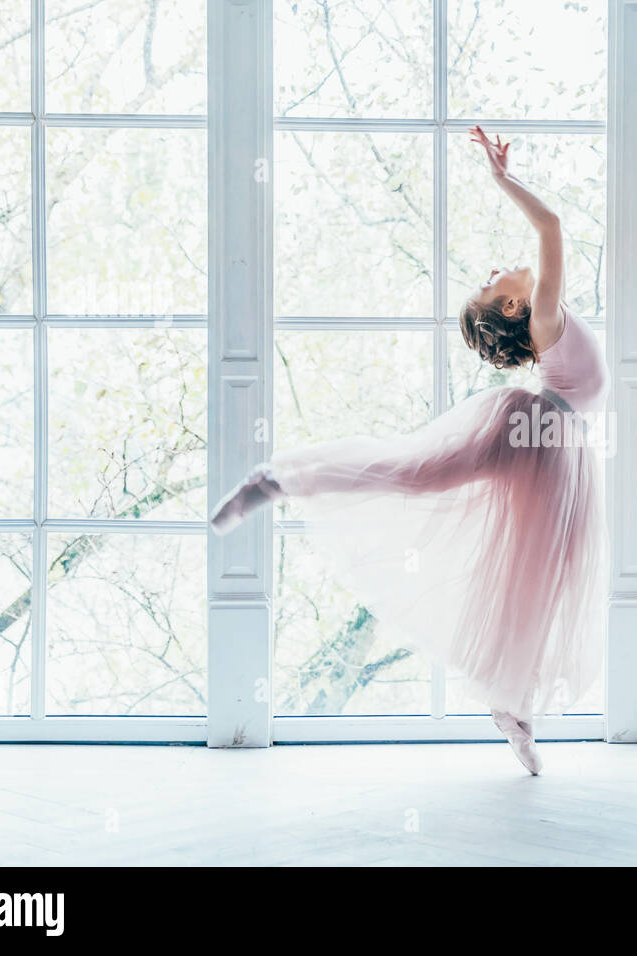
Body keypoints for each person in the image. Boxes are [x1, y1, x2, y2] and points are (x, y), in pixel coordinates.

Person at [209, 127, 609, 775]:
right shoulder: (544, 316)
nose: (493, 269)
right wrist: (504, 182)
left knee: (534, 577)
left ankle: (514, 708)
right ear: (516, 304)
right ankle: (277, 478)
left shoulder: (544, 323)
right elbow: (553, 226)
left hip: (558, 448)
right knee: (413, 476)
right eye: (491, 281)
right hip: (535, 433)